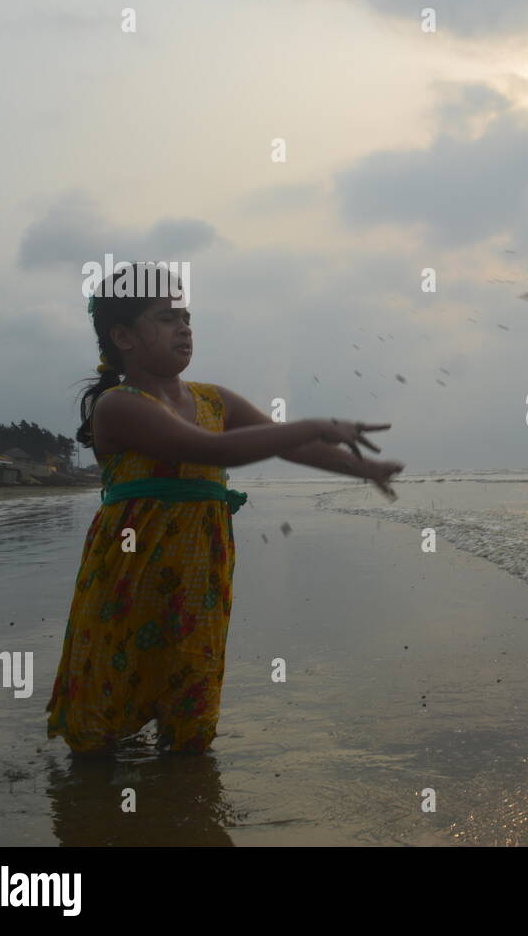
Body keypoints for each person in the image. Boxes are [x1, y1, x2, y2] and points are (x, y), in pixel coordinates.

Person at [45, 262, 402, 754]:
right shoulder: (119, 405)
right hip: (130, 570)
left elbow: (287, 448)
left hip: (199, 570)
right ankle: (94, 805)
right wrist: (311, 423)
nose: (185, 327)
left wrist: (363, 470)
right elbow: (213, 451)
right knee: (106, 692)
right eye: (167, 318)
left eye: (187, 316)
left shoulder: (214, 398)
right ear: (123, 336)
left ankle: (182, 773)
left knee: (191, 677)